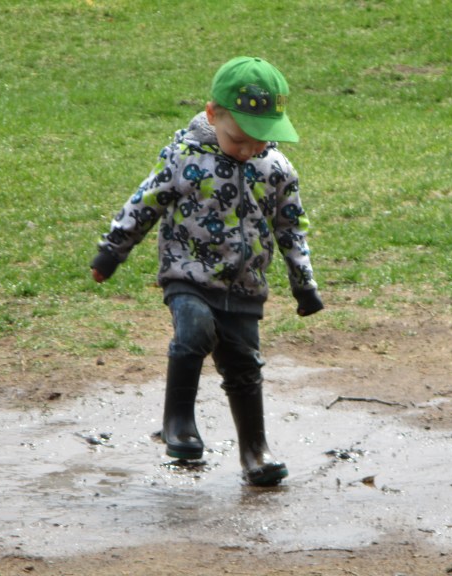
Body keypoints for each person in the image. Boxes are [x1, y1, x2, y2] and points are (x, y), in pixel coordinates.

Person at [90, 56, 323, 486]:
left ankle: (255, 452)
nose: (251, 148)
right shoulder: (183, 157)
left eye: (262, 139)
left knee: (244, 368)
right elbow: (144, 203)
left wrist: (303, 283)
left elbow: (291, 228)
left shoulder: (277, 169)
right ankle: (178, 420)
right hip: (188, 273)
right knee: (194, 328)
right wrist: (111, 252)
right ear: (213, 114)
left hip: (245, 286)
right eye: (240, 139)